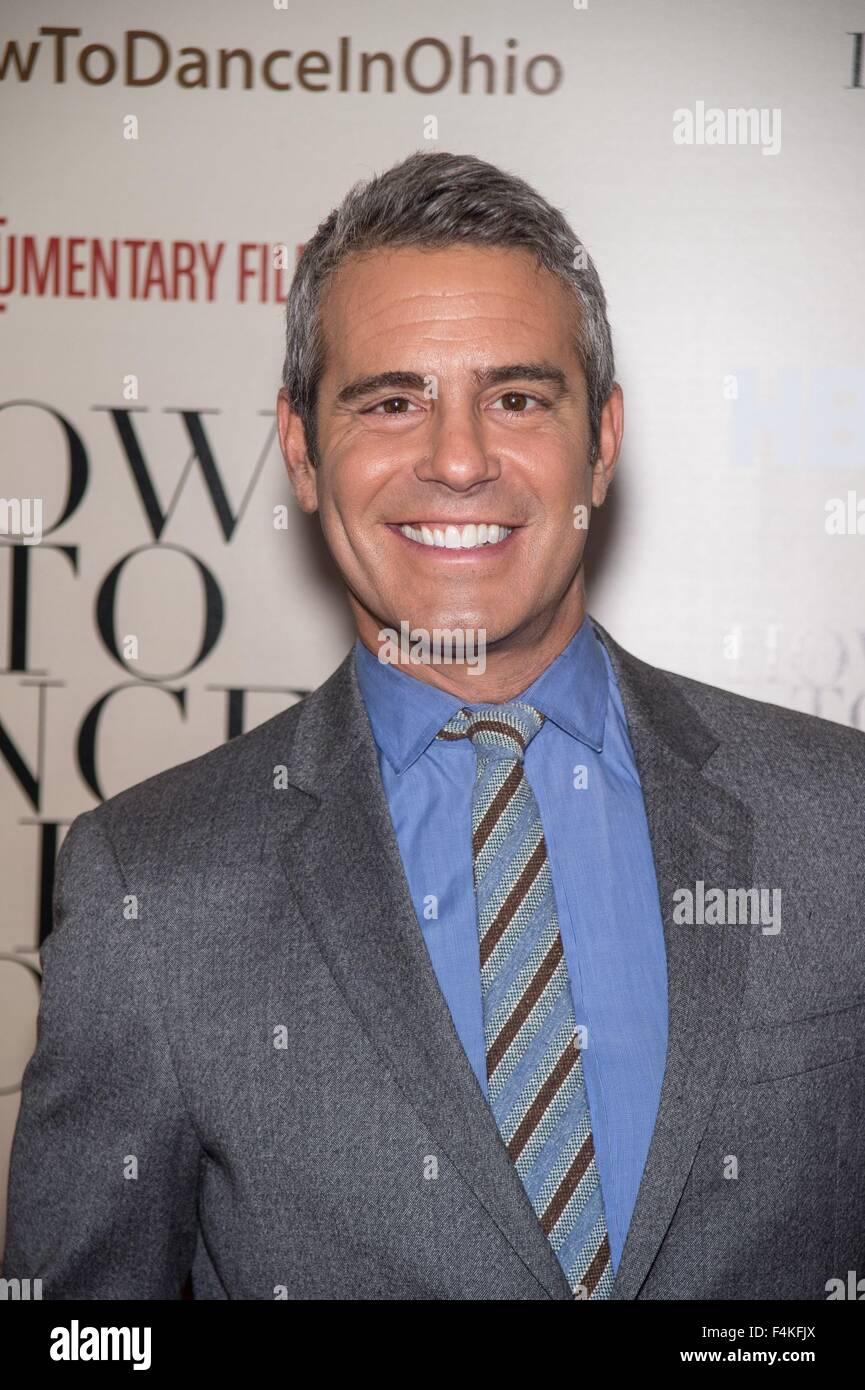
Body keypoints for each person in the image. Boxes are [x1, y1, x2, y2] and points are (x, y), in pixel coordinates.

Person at [4, 151, 864, 1301]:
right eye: (391, 401)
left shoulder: (838, 819)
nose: (457, 460)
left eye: (516, 398)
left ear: (601, 442)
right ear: (302, 452)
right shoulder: (151, 884)